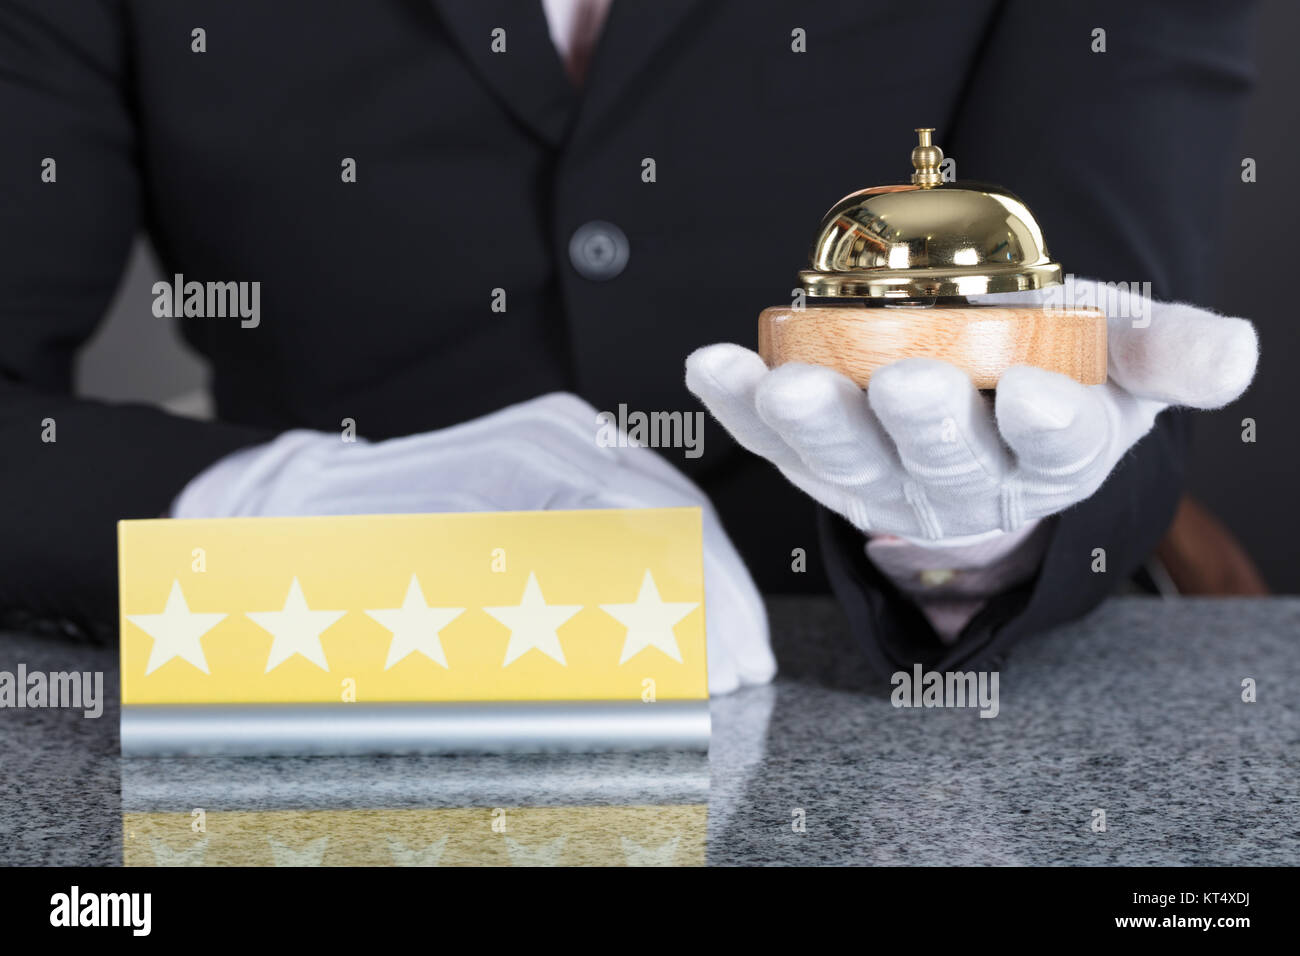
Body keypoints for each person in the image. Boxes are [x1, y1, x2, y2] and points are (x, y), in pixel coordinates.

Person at [0, 0, 1259, 692]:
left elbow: (1101, 334)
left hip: (860, 683)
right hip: (323, 662)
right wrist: (263, 506)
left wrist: (969, 540)